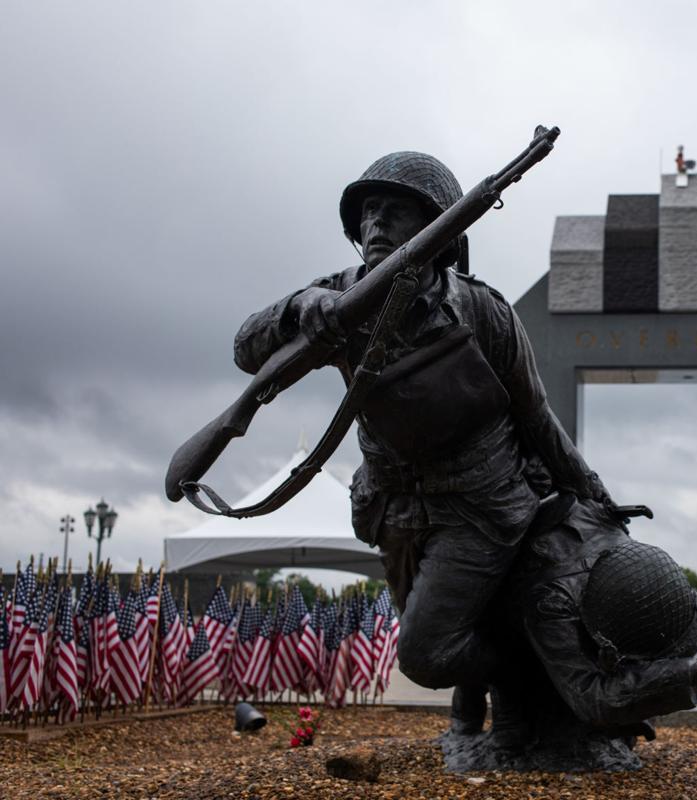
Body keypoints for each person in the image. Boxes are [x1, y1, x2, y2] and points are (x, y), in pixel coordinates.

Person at [232, 151, 612, 700]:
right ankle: (514, 688)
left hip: (481, 506)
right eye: (367, 212)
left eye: (394, 211)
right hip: (393, 509)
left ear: (439, 228)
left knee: (425, 655)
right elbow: (246, 350)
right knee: (445, 637)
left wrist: (590, 489)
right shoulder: (337, 297)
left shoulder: (485, 311)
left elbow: (535, 413)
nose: (376, 223)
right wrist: (299, 306)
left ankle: (529, 686)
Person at [510, 498, 697, 731]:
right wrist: (695, 671)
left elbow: (674, 654)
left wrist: (696, 669)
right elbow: (591, 698)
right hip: (508, 607)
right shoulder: (552, 602)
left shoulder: (673, 596)